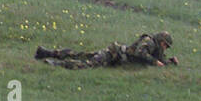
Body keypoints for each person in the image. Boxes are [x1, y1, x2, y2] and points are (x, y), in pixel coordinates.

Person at [35, 32, 177, 69]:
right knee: (89, 64)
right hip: (114, 54)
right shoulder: (149, 42)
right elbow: (140, 53)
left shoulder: (154, 49)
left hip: (115, 55)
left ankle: (46, 53)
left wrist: (170, 62)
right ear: (160, 41)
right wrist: (154, 62)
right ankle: (55, 63)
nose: (165, 49)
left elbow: (160, 61)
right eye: (165, 45)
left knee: (81, 55)